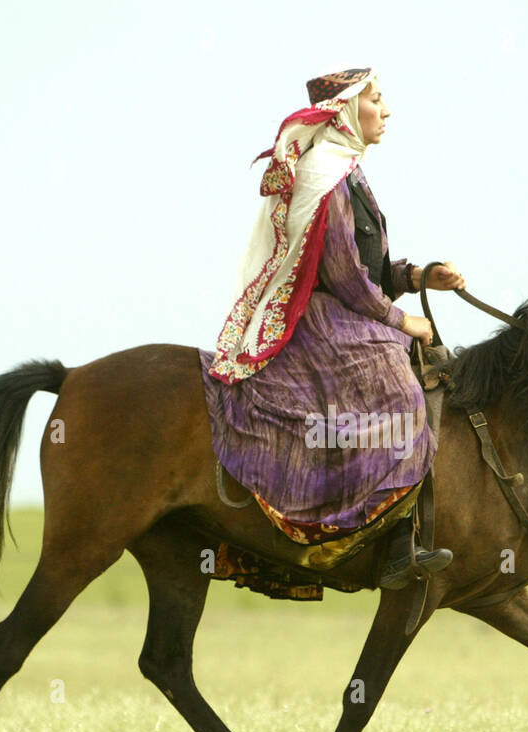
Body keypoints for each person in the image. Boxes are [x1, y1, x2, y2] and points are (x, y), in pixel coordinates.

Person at [199, 67, 464, 589]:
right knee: (400, 391)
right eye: (376, 101)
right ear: (346, 110)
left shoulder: (348, 169)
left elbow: (366, 265)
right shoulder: (326, 172)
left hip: (346, 309)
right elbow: (343, 275)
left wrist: (416, 277)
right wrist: (400, 318)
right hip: (325, 317)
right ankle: (379, 541)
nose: (385, 111)